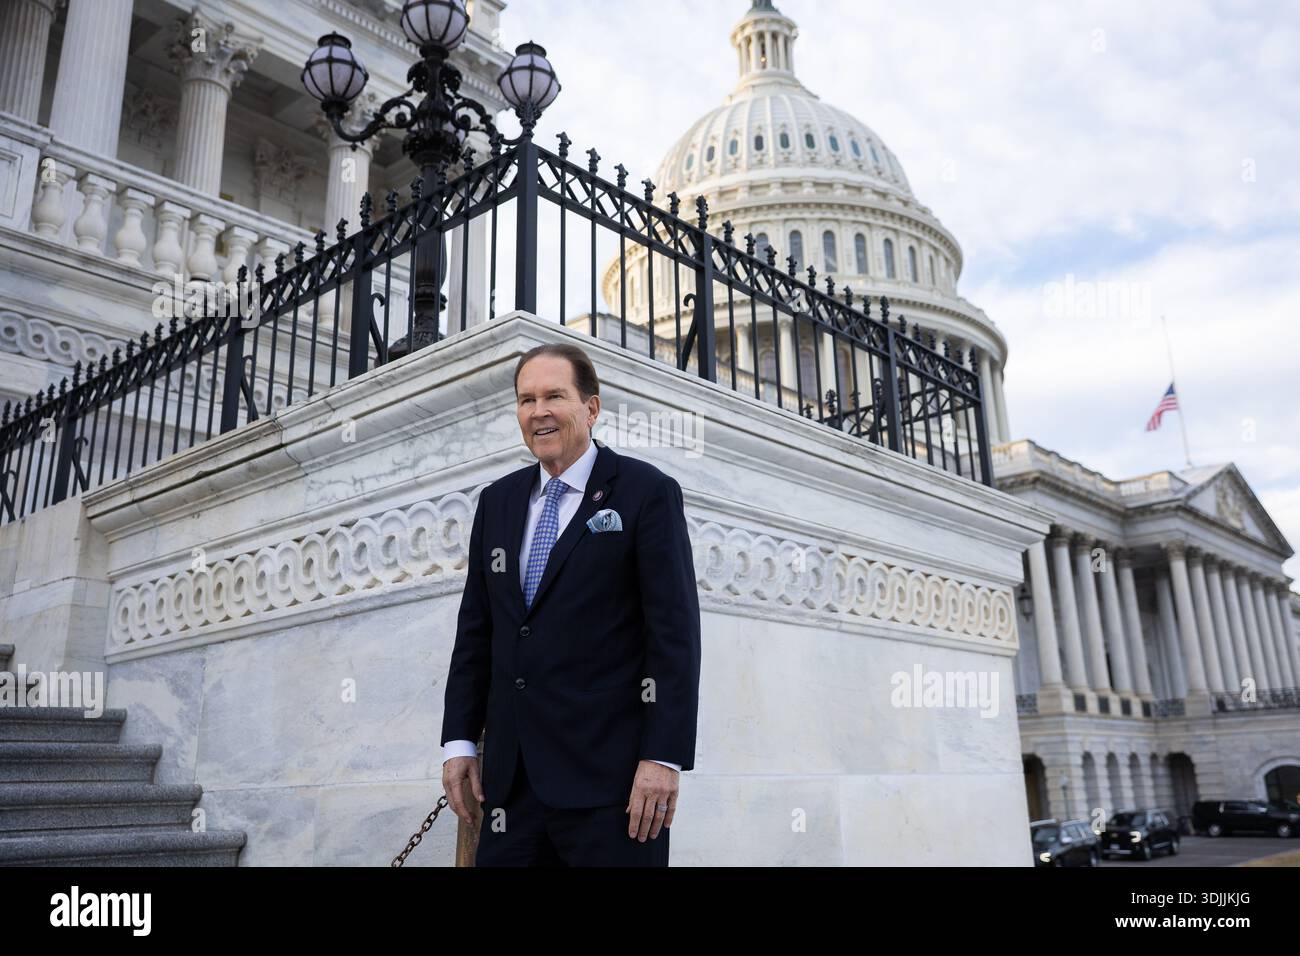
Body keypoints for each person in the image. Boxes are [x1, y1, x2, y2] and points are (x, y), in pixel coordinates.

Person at [440, 342, 701, 866]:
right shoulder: (498, 501)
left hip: (614, 789)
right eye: (525, 399)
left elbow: (673, 635)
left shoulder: (646, 493)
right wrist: (459, 744)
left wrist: (663, 757)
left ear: (591, 408)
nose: (538, 411)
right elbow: (478, 630)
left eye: (554, 395)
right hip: (509, 792)